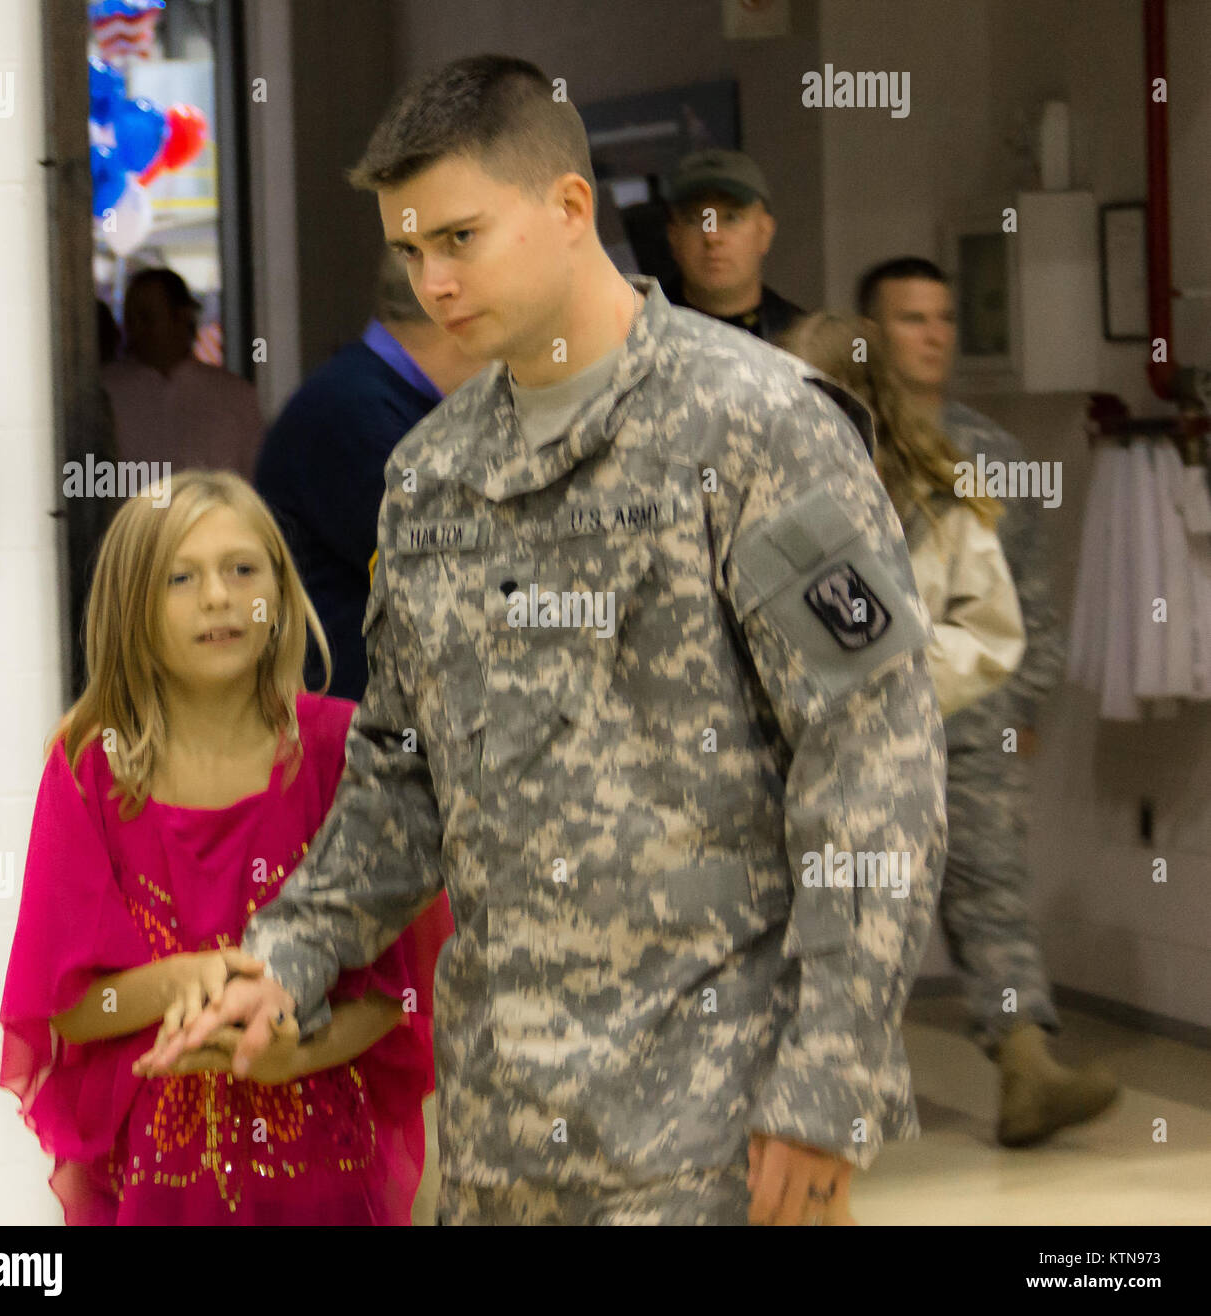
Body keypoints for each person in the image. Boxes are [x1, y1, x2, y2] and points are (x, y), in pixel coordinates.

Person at [141, 53, 948, 1228]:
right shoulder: (432, 477)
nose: (433, 280)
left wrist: (828, 1083)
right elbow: (400, 772)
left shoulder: (759, 429)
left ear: (571, 209)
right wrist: (288, 955)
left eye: (460, 238)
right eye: (413, 251)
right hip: (505, 1130)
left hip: (717, 1130)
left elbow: (872, 766)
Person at [0, 470, 443, 1224]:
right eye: (181, 577)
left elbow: (389, 994)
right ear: (132, 608)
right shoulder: (91, 769)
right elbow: (72, 1005)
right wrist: (188, 978)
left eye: (243, 570)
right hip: (154, 1193)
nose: (217, 597)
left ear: (281, 590)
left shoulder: (349, 748)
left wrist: (290, 1055)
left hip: (330, 1186)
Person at [857, 256, 1119, 1146]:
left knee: (994, 889)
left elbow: (1028, 589)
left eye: (942, 318)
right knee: (855, 904)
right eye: (909, 319)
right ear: (871, 333)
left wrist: (1027, 704)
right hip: (861, 722)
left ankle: (1024, 1065)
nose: (932, 336)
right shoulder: (837, 440)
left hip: (974, 713)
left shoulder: (992, 452)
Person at [256, 250, 487, 701]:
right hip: (352, 732)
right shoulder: (354, 413)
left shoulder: (388, 397)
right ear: (453, 316)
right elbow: (463, 576)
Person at [782, 312, 1026, 719]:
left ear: (859, 402)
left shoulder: (938, 503)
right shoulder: (754, 492)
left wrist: (890, 672)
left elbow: (991, 636)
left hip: (912, 742)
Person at [101, 268, 264, 480]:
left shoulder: (234, 397)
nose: (136, 330)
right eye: (131, 320)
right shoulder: (107, 392)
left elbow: (255, 479)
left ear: (181, 316)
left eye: (147, 318)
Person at [662, 148, 803, 340]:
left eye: (731, 217)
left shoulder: (802, 341)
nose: (711, 236)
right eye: (694, 219)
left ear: (764, 232)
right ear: (674, 236)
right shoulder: (635, 335)